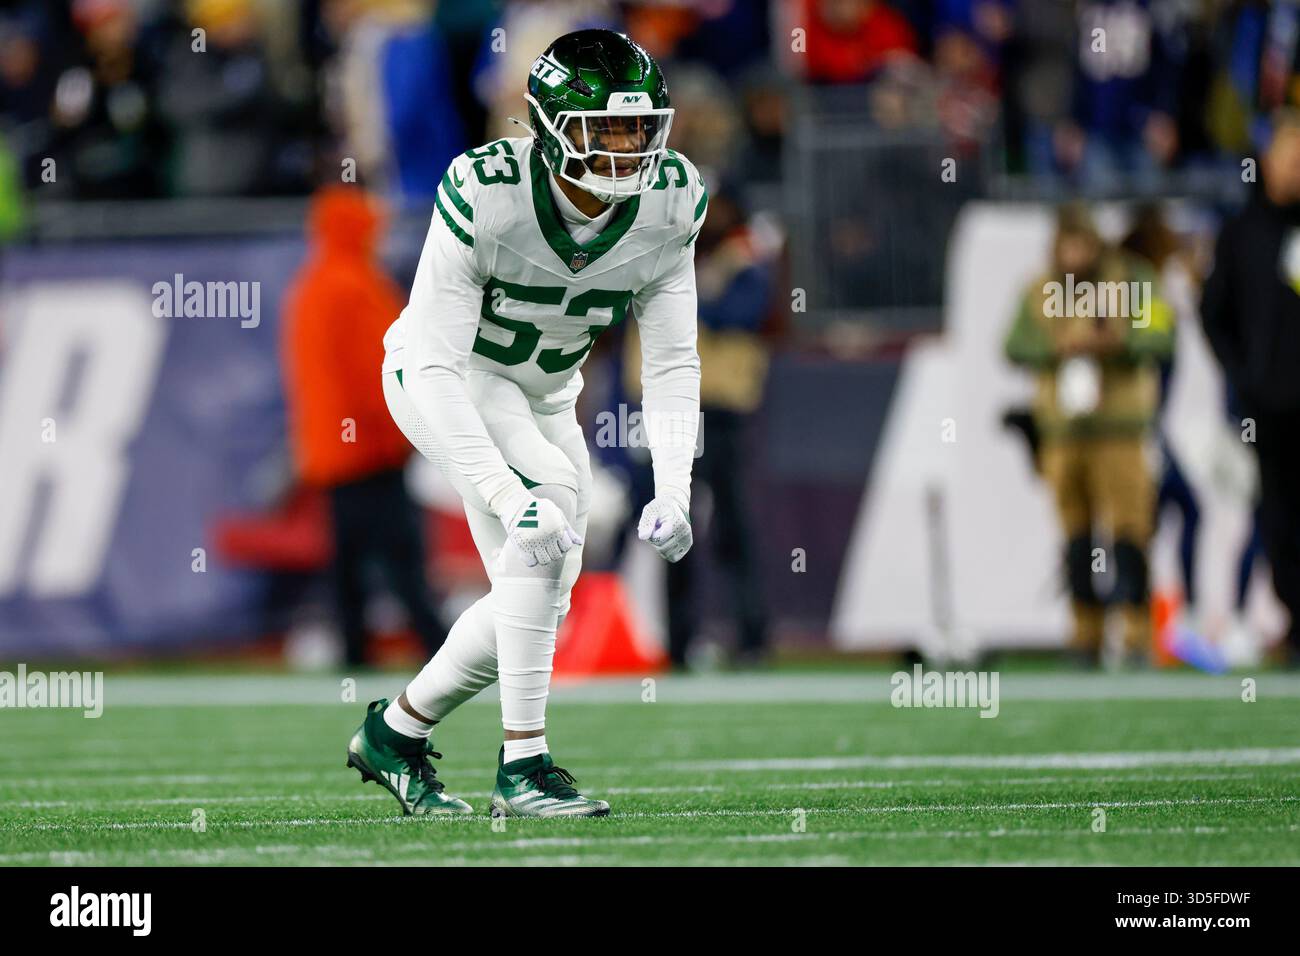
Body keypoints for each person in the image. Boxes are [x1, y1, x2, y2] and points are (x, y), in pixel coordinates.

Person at [345, 30, 704, 818]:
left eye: (637, 129)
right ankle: (524, 768)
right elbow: (437, 366)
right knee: (548, 506)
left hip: (544, 394)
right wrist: (511, 497)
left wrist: (673, 487)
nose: (625, 150)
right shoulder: (486, 189)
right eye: (604, 129)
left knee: (539, 585)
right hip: (445, 374)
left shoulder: (671, 202)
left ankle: (395, 734)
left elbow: (673, 363)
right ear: (549, 128)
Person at [281, 185, 448, 667]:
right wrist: (409, 432)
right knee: (404, 562)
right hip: (371, 451)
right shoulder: (355, 285)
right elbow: (378, 373)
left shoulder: (308, 286)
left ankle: (354, 655)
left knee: (349, 566)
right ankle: (440, 652)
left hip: (330, 455)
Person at [1004, 203, 1173, 665]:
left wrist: (1119, 343)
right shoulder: (1042, 289)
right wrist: (1056, 347)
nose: (1074, 255)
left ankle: (1136, 633)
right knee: (1075, 535)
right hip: (1063, 429)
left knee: (1130, 532)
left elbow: (1162, 334)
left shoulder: (1132, 280)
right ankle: (1085, 632)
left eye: (1082, 244)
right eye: (1067, 245)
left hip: (1119, 427)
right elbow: (1013, 343)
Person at [1201, 111, 1300, 666]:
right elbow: (1213, 311)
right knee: (1278, 517)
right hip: (1270, 405)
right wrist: (1245, 374)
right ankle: (1294, 619)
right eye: (1290, 157)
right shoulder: (1244, 232)